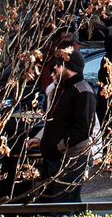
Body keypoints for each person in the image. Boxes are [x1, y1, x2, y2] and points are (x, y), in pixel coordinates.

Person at [25, 50, 91, 207]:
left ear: (70, 67)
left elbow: (83, 130)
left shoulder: (82, 91)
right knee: (52, 204)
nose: (55, 69)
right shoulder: (61, 89)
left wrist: (60, 146)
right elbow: (53, 120)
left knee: (63, 206)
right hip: (55, 156)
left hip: (70, 157)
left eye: (59, 66)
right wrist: (42, 139)